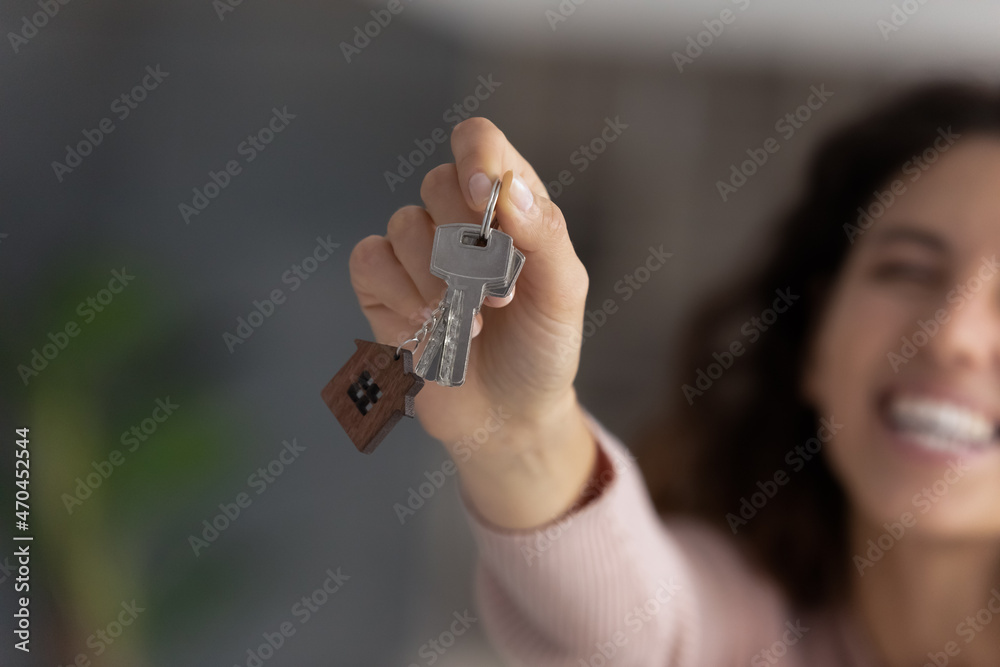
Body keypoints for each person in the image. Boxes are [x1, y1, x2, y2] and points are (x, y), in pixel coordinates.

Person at [348, 81, 1000, 666]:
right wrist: (519, 432)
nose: (952, 335)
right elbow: (638, 626)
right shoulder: (744, 632)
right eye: (907, 270)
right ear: (816, 346)